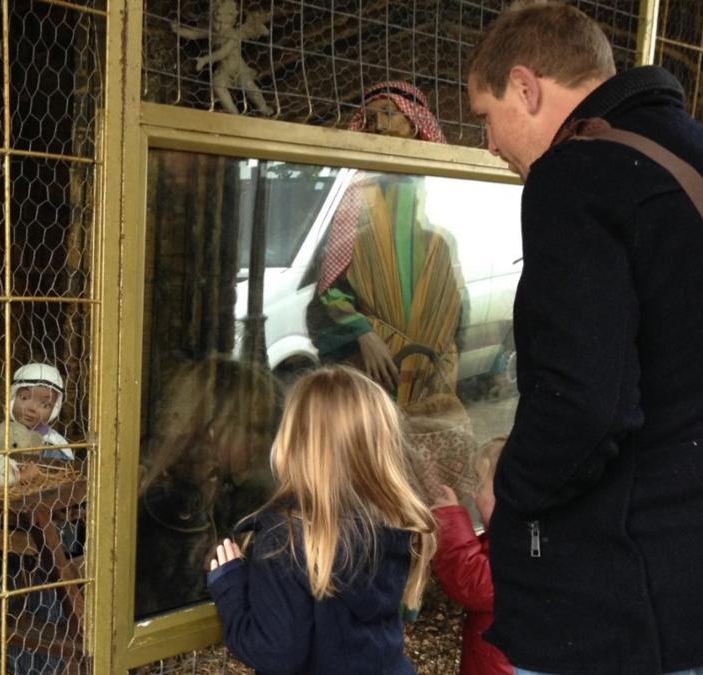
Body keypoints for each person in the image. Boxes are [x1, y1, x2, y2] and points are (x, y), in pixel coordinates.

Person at [467, 3, 703, 672]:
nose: (488, 143)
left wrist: (508, 480)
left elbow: (587, 403)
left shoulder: (572, 177)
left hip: (622, 607)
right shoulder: (688, 153)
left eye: (485, 117)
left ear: (525, 86)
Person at [205, 365, 436, 674]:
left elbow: (275, 653)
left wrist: (230, 588)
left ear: (292, 446)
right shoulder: (391, 526)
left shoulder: (285, 540)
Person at [310, 80, 461, 406]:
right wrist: (363, 333)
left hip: (431, 355)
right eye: (371, 116)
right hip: (381, 356)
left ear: (414, 122)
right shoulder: (359, 191)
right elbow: (332, 283)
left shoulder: (440, 188)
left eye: (389, 113)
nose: (379, 124)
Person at [134, 354, 280, 617]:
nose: (264, 442)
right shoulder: (169, 503)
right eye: (256, 429)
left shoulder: (229, 491)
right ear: (213, 428)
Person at [430, 437, 513, 675]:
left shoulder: (519, 547)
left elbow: (474, 583)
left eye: (479, 483)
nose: (473, 493)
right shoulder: (512, 535)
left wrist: (451, 520)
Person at [8, 362, 74, 460]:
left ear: (54, 410)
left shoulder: (54, 447)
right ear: (12, 397)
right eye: (24, 398)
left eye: (45, 405)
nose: (32, 408)